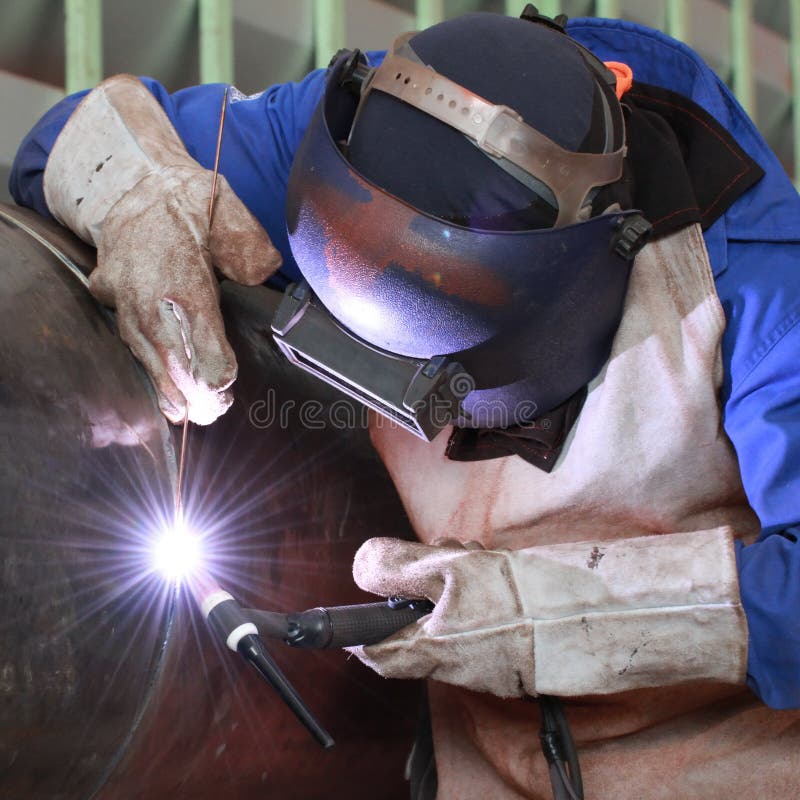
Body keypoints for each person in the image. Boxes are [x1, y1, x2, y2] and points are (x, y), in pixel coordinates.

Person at [10, 9, 800, 799]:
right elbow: (67, 139)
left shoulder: (760, 297)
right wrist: (145, 204)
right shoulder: (367, 135)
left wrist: (547, 611)